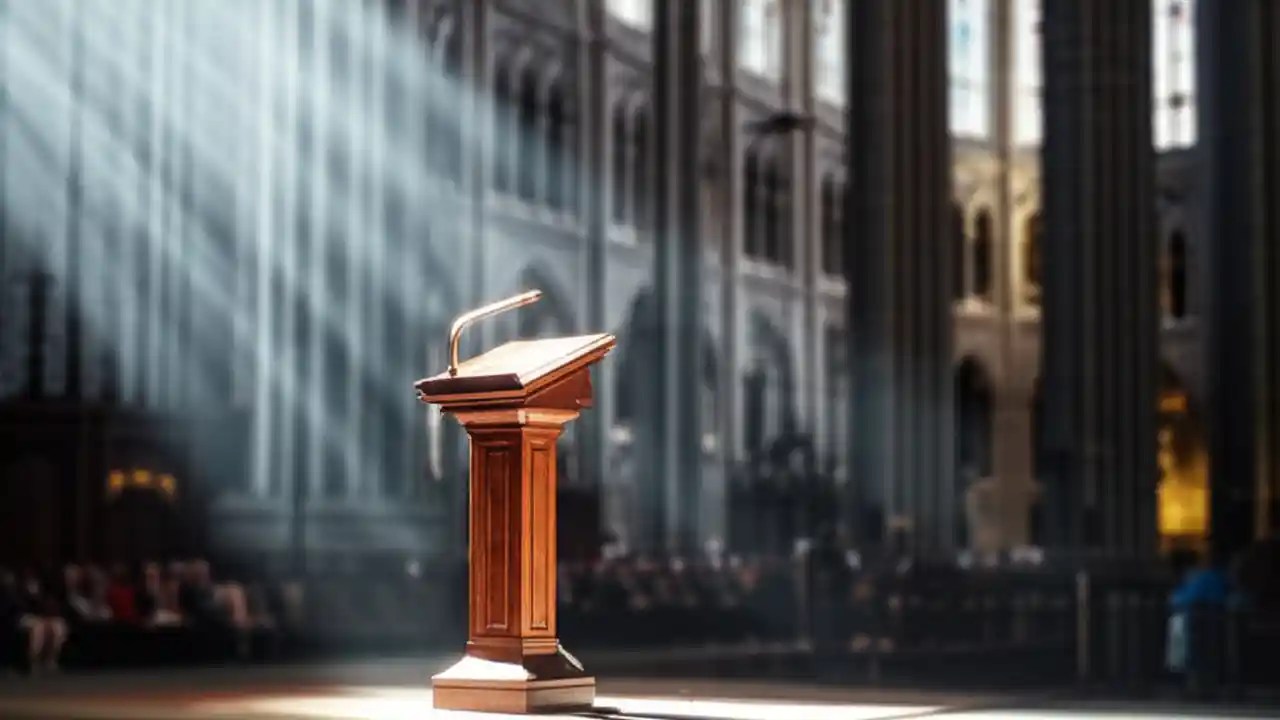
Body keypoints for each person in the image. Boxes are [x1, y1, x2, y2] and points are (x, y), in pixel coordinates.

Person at [16, 572, 68, 673]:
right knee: (39, 629)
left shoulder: (45, 588)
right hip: (25, 616)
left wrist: (47, 616)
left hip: (44, 616)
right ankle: (34, 662)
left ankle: (51, 661)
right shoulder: (18, 589)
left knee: (58, 626)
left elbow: (49, 606)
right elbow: (20, 608)